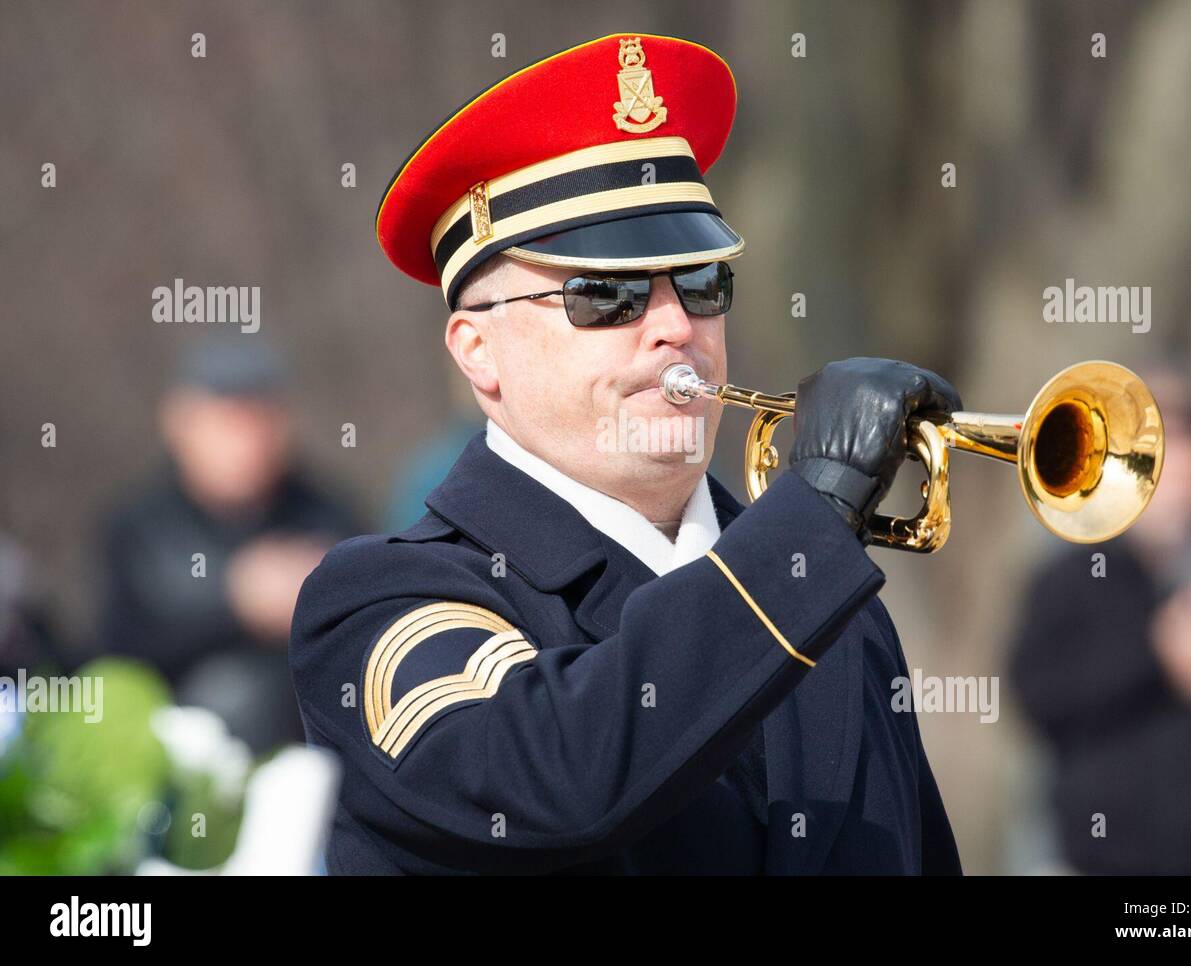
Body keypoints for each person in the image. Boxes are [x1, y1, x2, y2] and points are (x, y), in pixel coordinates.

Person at [290, 33, 962, 874]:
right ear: (477, 350)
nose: (677, 326)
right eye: (605, 294)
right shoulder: (378, 600)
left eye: (702, 283)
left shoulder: (836, 606)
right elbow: (557, 777)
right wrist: (814, 517)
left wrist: (808, 541)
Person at [1010, 370, 1191, 874]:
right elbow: (1036, 694)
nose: (1180, 464)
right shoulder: (1075, 573)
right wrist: (1156, 656)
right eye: (1157, 443)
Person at [99, 339, 361, 754]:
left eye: (260, 421)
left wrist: (322, 597)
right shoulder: (138, 527)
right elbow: (116, 658)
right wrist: (236, 606)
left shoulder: (326, 515)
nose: (246, 444)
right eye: (228, 422)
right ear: (180, 423)